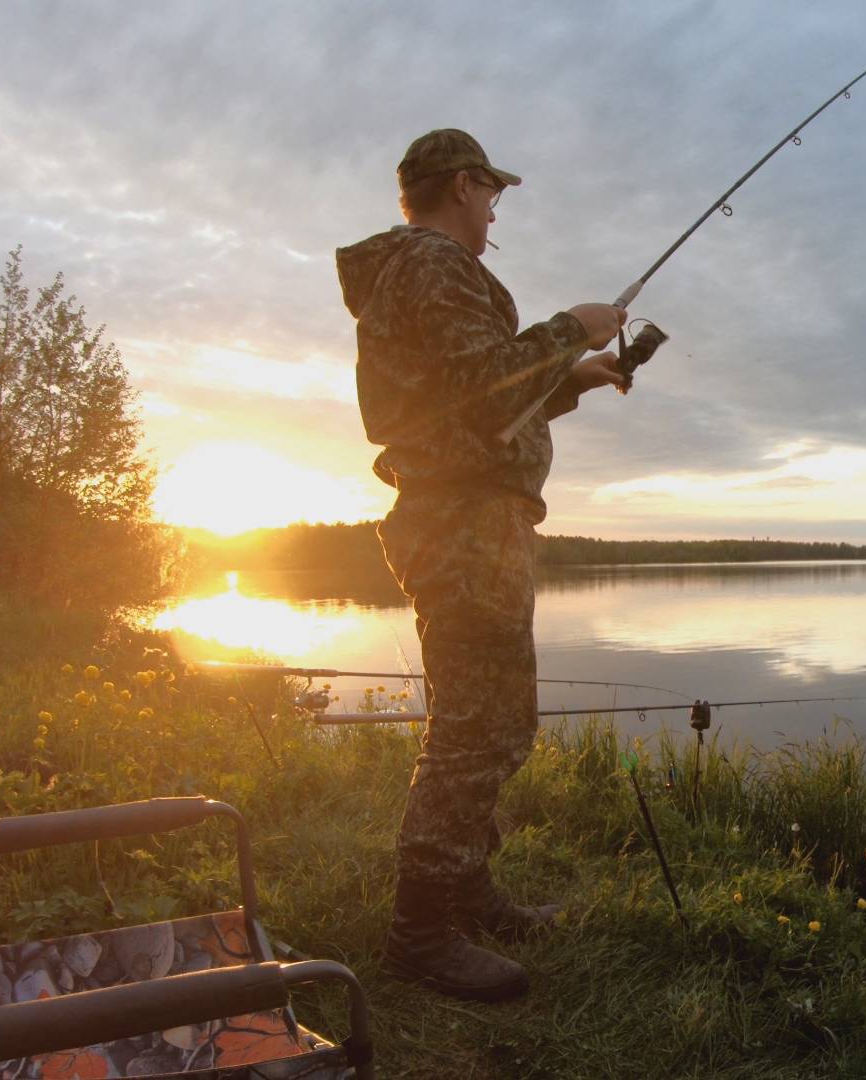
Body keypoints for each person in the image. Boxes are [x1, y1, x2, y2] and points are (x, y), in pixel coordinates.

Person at [334, 128, 627, 1002]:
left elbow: (477, 407)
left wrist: (574, 377)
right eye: (491, 192)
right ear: (464, 185)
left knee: (494, 720)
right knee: (476, 728)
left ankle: (466, 893)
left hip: (470, 518)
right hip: (461, 525)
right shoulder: (433, 264)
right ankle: (420, 934)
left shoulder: (419, 272)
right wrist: (568, 328)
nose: (495, 209)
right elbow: (483, 382)